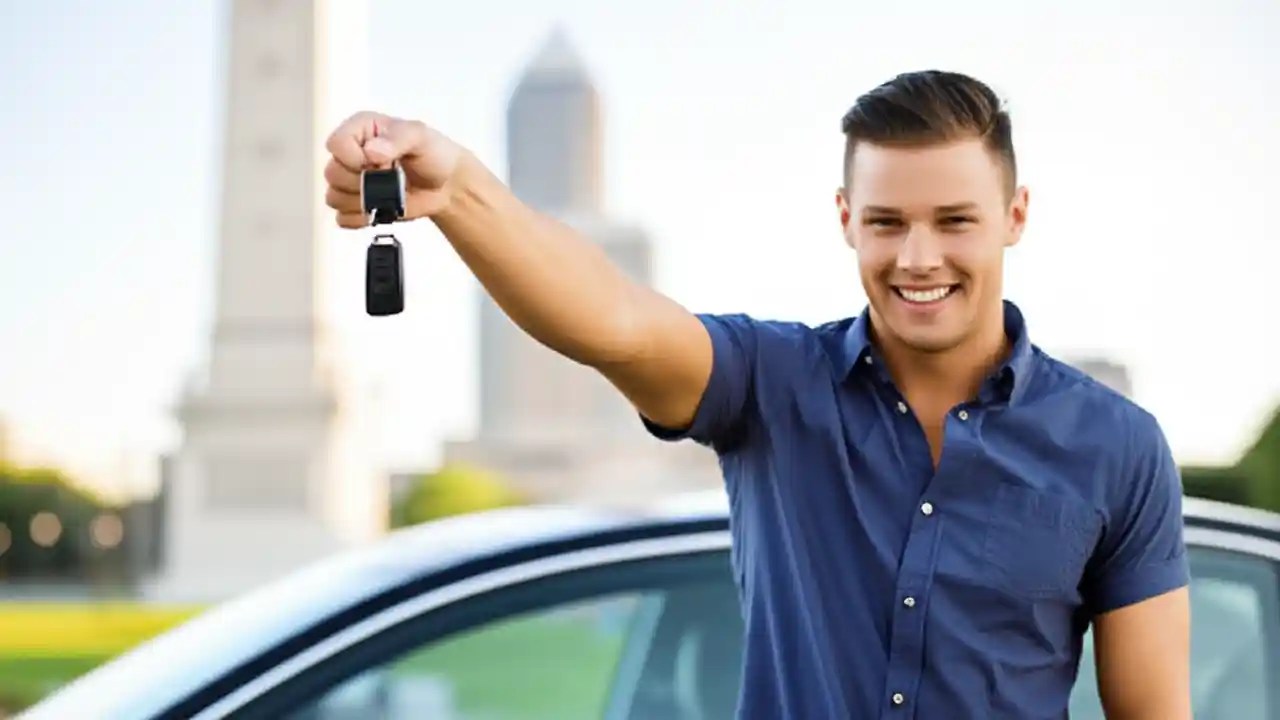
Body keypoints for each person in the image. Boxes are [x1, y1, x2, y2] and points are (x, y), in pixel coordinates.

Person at [323, 70, 1191, 719]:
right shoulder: (770, 385)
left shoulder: (1117, 449)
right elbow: (616, 322)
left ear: (1016, 215)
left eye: (955, 221)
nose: (918, 258)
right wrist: (460, 193)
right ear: (847, 218)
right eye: (887, 223)